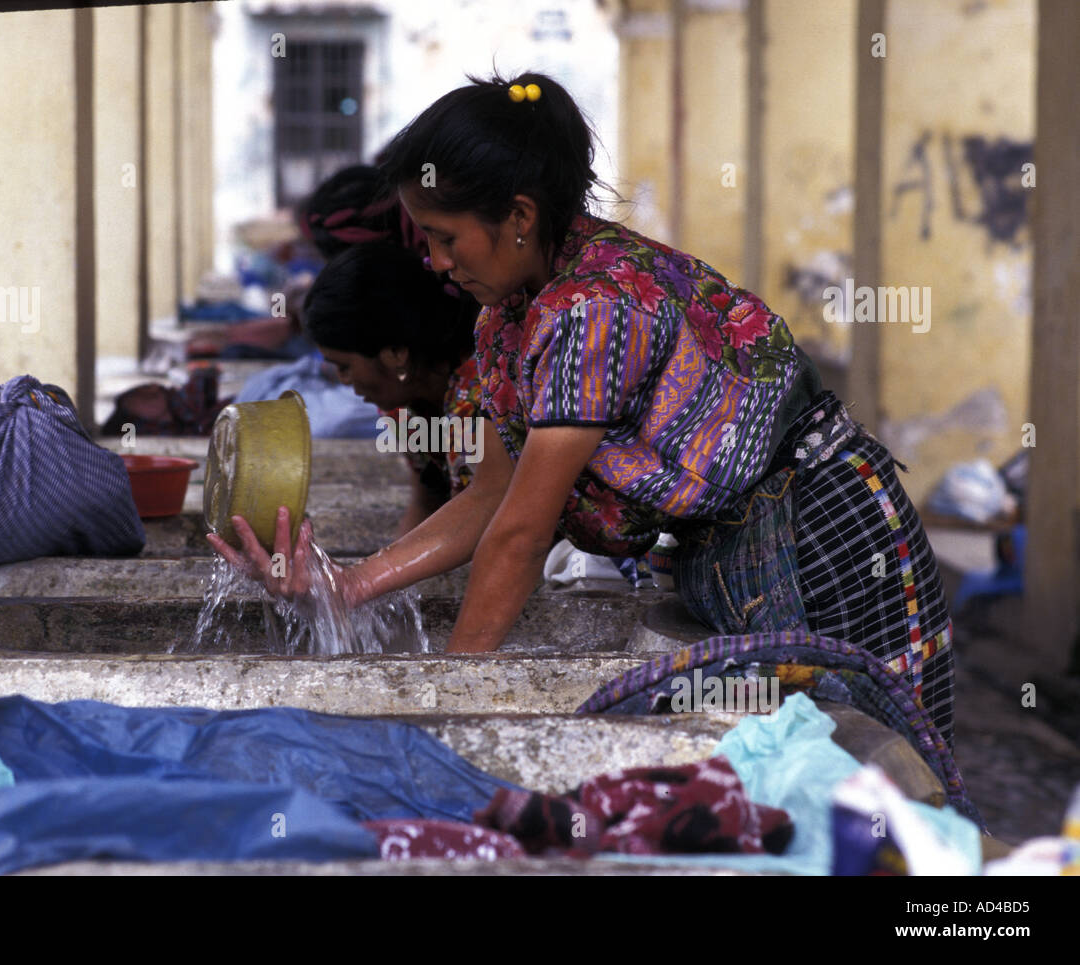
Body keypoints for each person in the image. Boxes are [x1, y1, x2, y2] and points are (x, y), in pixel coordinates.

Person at [209, 72, 957, 750]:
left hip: (821, 536)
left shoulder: (593, 308)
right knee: (795, 762)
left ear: (520, 215)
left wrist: (445, 715)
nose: (434, 262)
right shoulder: (512, 312)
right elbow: (495, 496)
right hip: (739, 546)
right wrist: (347, 583)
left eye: (444, 237)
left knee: (876, 770)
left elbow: (523, 533)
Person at [302, 241, 484, 534]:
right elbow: (428, 505)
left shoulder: (479, 400)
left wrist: (363, 578)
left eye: (345, 366)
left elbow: (487, 526)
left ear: (397, 352)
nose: (344, 380)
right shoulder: (407, 411)